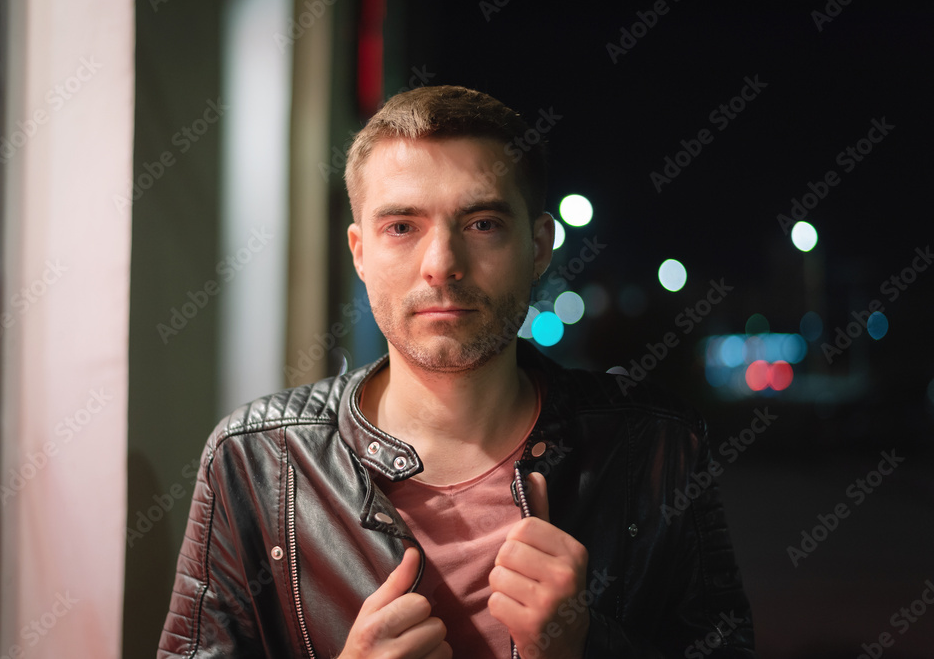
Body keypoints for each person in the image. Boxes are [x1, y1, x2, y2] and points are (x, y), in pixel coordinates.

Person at [158, 85, 755, 658]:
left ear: (539, 246)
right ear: (360, 251)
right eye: (401, 227)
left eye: (482, 224)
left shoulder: (656, 447)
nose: (442, 264)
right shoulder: (257, 460)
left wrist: (583, 646)